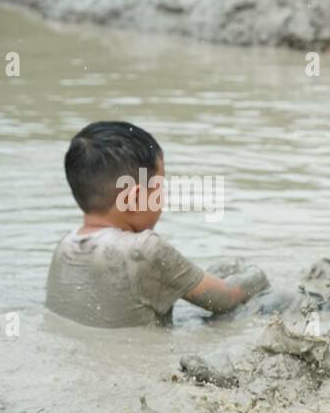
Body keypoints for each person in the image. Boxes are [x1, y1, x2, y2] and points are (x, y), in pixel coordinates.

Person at [45, 121, 267, 327]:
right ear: (133, 199)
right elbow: (224, 298)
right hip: (138, 365)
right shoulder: (144, 249)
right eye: (160, 188)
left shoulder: (64, 245)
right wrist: (257, 276)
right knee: (273, 303)